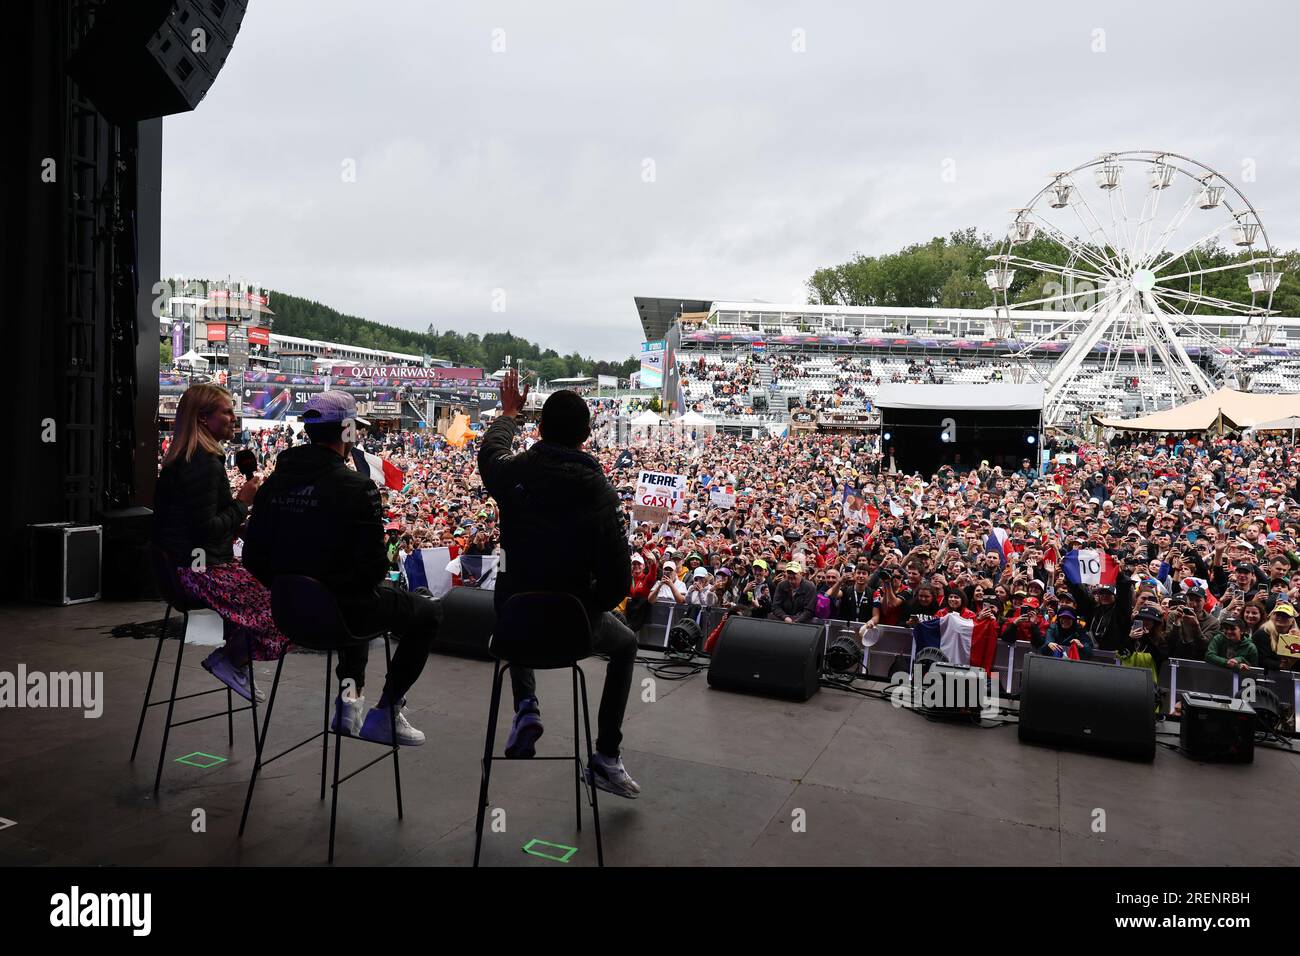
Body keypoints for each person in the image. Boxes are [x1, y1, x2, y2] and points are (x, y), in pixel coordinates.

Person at [242, 391, 440, 746]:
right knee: (425, 611)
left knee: (352, 597)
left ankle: (350, 704)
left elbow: (254, 558)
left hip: (287, 613)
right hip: (340, 616)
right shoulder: (355, 487)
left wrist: (297, 587)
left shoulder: (273, 485)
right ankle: (385, 713)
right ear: (347, 430)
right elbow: (373, 571)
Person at [477, 372, 641, 799]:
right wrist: (591, 605)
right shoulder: (600, 492)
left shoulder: (512, 473)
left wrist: (510, 413)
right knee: (624, 646)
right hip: (574, 627)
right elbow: (618, 583)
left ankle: (526, 705)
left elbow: (490, 452)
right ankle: (606, 757)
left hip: (513, 625)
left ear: (540, 428)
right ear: (587, 435)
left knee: (519, 592)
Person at [152, 383, 288, 701]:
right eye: (226, 411)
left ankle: (234, 659)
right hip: (197, 572)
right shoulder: (203, 463)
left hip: (184, 566)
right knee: (286, 608)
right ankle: (230, 660)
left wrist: (240, 524)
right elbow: (205, 530)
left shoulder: (190, 458)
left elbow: (200, 522)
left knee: (270, 588)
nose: (233, 417)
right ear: (203, 419)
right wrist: (243, 502)